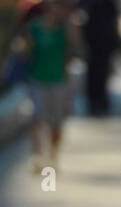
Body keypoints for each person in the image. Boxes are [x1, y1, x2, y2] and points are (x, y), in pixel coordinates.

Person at [19, 1, 77, 172]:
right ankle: (38, 156)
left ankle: (53, 156)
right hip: (37, 78)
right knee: (38, 119)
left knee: (57, 122)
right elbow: (24, 51)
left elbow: (75, 49)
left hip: (59, 80)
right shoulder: (34, 27)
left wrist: (71, 27)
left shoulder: (67, 28)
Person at [78, 0, 120, 116]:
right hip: (92, 44)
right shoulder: (87, 4)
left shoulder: (109, 4)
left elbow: (115, 22)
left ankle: (102, 100)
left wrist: (116, 42)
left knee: (104, 73)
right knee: (92, 74)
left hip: (106, 44)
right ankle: (93, 101)